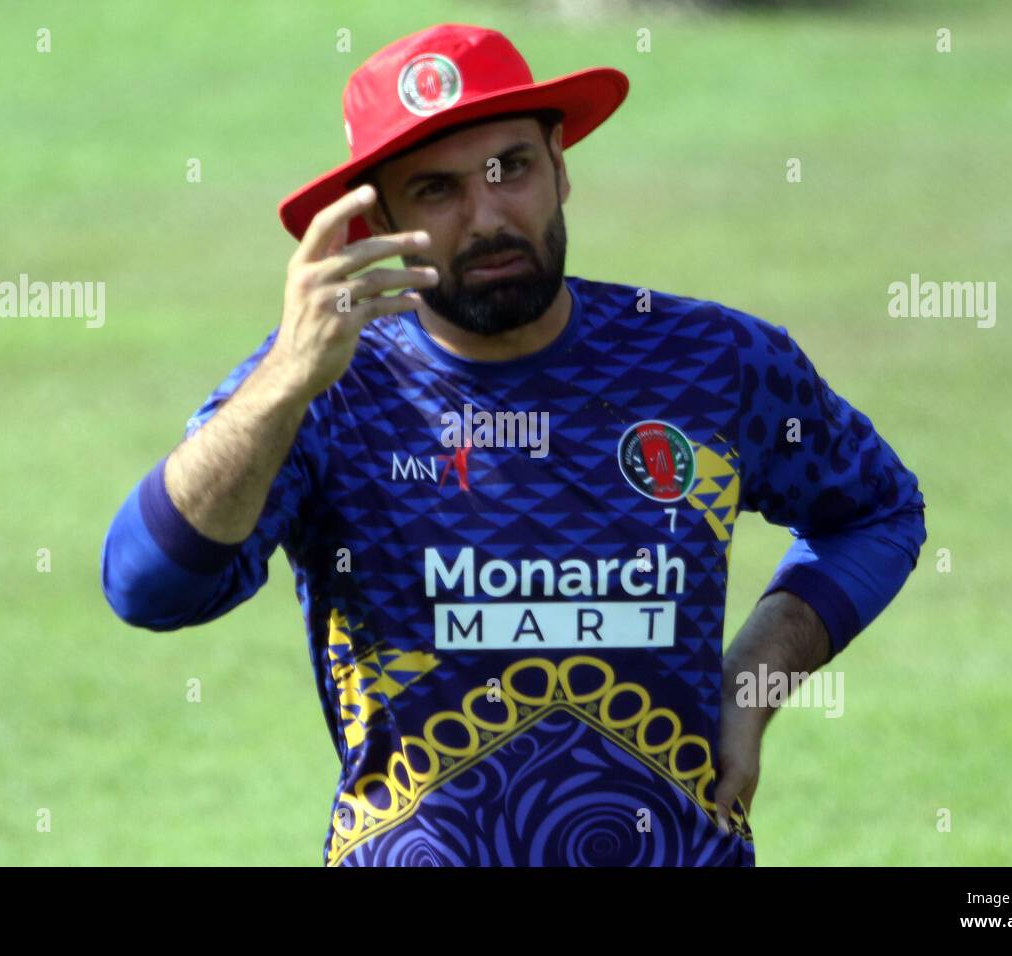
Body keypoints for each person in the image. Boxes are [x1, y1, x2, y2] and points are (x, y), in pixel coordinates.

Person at [101, 23, 927, 867]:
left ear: (560, 165)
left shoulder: (711, 360)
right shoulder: (320, 393)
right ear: (375, 221)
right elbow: (147, 587)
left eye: (512, 169)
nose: (487, 216)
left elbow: (877, 512)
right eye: (435, 190)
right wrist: (282, 379)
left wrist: (749, 685)